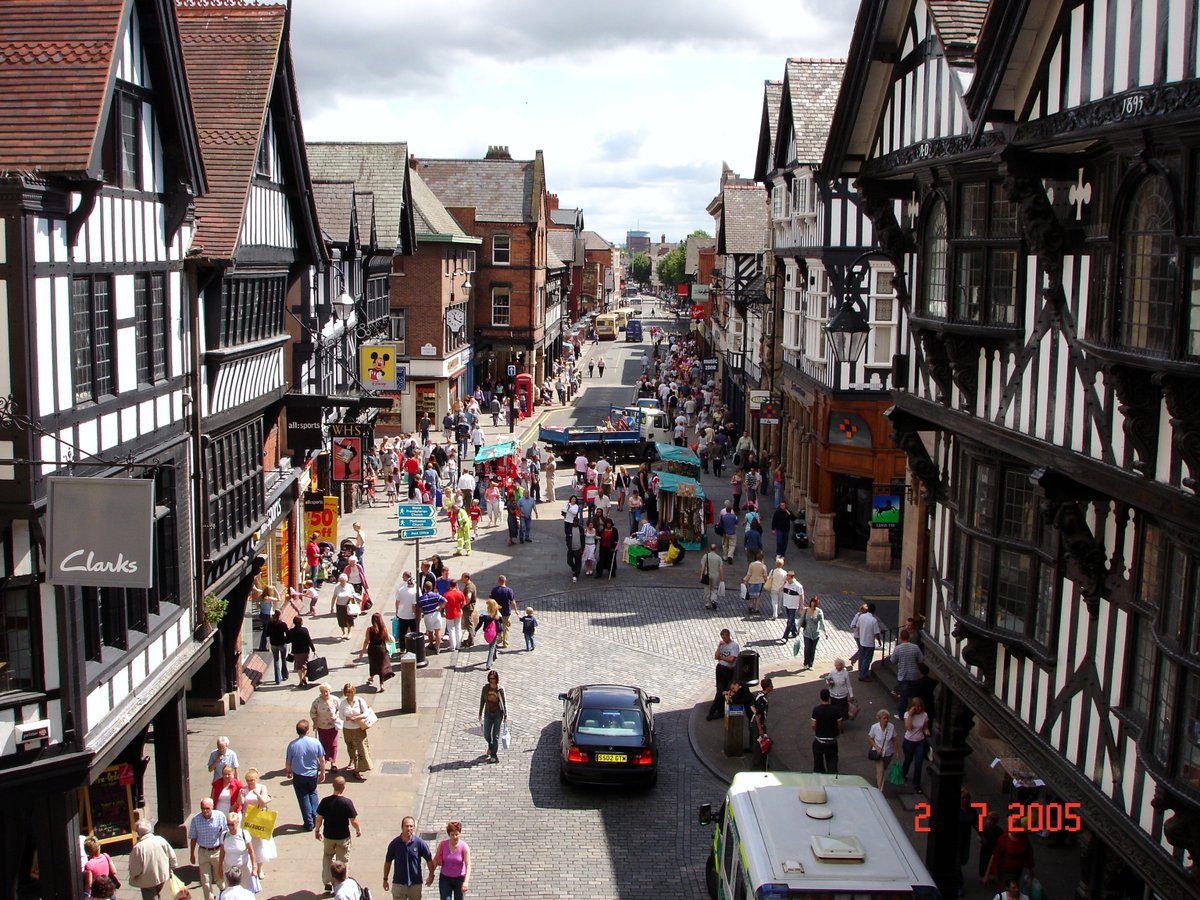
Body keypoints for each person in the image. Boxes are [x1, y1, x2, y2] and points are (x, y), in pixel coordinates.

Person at [314, 775, 362, 893]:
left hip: (329, 836)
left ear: (333, 786)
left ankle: (328, 881)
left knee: (328, 857)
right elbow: (353, 820)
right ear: (343, 787)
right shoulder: (347, 802)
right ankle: (341, 883)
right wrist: (358, 829)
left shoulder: (325, 801)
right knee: (343, 861)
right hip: (343, 837)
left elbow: (319, 818)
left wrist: (317, 830)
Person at [283, 719, 326, 831]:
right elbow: (322, 760)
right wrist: (322, 772)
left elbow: (288, 761)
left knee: (303, 798)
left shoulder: (292, 745)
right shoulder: (315, 742)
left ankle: (309, 823)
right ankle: (317, 817)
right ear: (307, 730)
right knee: (313, 793)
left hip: (299, 775)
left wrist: (288, 771)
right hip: (312, 774)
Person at [237, 769, 276, 881]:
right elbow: (240, 803)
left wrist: (257, 794)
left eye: (252, 780)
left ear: (256, 779)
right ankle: (250, 866)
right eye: (248, 781)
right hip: (247, 818)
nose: (250, 783)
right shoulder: (244, 789)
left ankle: (260, 868)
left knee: (260, 843)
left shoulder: (262, 787)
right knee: (248, 842)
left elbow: (263, 802)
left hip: (259, 817)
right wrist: (240, 795)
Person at [383, 816, 434, 900]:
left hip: (415, 884)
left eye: (411, 826)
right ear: (402, 827)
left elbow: (429, 859)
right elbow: (388, 862)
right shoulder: (394, 844)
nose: (409, 828)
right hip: (399, 884)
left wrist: (431, 874)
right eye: (406, 826)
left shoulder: (419, 843)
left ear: (414, 827)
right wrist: (385, 879)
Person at [187, 799, 228, 900]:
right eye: (202, 809)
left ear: (212, 807)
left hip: (217, 852)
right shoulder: (196, 819)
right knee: (205, 881)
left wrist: (226, 851)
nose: (205, 811)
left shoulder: (220, 816)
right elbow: (193, 837)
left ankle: (224, 894)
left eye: (207, 808)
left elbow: (225, 834)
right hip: (203, 852)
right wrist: (192, 854)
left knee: (220, 878)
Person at [128, 819, 177, 899]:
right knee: (161, 894)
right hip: (162, 875)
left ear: (139, 833)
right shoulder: (160, 840)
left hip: (147, 881)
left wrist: (133, 876)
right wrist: (172, 866)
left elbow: (136, 869)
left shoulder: (138, 848)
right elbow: (172, 856)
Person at [427, 820, 471, 900]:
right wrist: (431, 874)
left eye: (456, 834)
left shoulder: (464, 847)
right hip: (445, 878)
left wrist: (466, 882)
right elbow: (436, 860)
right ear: (449, 835)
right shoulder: (443, 845)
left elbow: (468, 865)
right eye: (452, 835)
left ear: (460, 833)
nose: (454, 837)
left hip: (459, 879)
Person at [985, 820, 1035, 888]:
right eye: (1014, 826)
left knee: (1015, 889)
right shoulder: (1003, 840)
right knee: (1009, 891)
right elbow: (995, 856)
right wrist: (987, 874)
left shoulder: (1024, 837)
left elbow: (1028, 853)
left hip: (1018, 871)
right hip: (1005, 872)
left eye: (1018, 825)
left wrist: (1030, 869)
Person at [339, 684, 373, 779]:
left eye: (349, 692)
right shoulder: (343, 703)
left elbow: (366, 713)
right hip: (347, 729)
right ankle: (352, 761)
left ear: (353, 691)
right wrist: (347, 718)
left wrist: (357, 717)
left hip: (358, 729)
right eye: (346, 692)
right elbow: (340, 715)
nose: (348, 694)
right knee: (351, 747)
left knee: (360, 749)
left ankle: (358, 770)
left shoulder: (360, 700)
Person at [218, 813, 258, 895]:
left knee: (245, 892)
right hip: (229, 871)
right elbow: (222, 852)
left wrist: (254, 867)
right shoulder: (224, 835)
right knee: (230, 893)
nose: (230, 827)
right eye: (228, 824)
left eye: (232, 824)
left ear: (237, 823)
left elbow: (251, 851)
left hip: (243, 869)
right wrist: (220, 868)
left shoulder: (244, 834)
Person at [706, 629, 740, 720]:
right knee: (720, 690)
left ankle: (719, 710)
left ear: (728, 636)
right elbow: (716, 656)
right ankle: (713, 711)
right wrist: (719, 646)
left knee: (725, 690)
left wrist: (721, 657)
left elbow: (732, 659)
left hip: (728, 670)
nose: (723, 639)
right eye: (722, 637)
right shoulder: (722, 645)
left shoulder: (734, 646)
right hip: (720, 669)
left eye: (724, 637)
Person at [358, 612, 395, 692]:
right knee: (382, 666)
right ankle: (381, 685)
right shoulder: (383, 629)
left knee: (373, 664)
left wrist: (362, 651)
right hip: (381, 649)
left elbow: (366, 641)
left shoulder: (369, 629)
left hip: (372, 649)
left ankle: (371, 677)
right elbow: (388, 639)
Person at [891, 629, 926, 714]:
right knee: (915, 696)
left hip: (903, 675)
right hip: (914, 675)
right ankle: (915, 712)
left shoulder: (898, 649)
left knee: (903, 696)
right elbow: (921, 660)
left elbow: (893, 660)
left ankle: (902, 714)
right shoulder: (915, 647)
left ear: (900, 637)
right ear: (909, 637)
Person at [310, 683, 343, 771]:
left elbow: (340, 710)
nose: (325, 694)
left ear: (329, 691)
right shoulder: (317, 702)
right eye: (323, 692)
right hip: (322, 726)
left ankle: (333, 763)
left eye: (326, 691)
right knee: (323, 744)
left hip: (333, 726)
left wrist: (336, 716)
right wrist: (315, 722)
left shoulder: (335, 700)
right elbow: (313, 713)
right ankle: (323, 762)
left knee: (333, 744)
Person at [901, 696, 931, 791]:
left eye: (920, 706)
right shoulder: (907, 714)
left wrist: (926, 731)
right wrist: (910, 714)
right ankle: (903, 773)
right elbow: (908, 728)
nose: (919, 709)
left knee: (919, 762)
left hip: (920, 742)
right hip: (909, 741)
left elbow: (925, 727)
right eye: (916, 707)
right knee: (908, 760)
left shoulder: (924, 715)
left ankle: (916, 784)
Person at [810, 688, 843, 774]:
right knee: (832, 761)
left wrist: (817, 731)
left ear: (820, 698)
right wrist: (837, 732)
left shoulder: (816, 710)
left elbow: (813, 724)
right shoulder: (836, 710)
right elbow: (839, 724)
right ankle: (832, 777)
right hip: (832, 741)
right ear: (829, 698)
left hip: (819, 740)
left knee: (818, 763)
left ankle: (820, 777)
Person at [478, 669, 508, 762]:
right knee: (487, 734)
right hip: (488, 713)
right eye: (490, 678)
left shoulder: (500, 689)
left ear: (496, 679)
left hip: (498, 714)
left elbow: (503, 702)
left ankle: (493, 754)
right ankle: (491, 747)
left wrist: (505, 714)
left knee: (495, 735)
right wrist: (480, 713)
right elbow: (482, 701)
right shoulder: (485, 688)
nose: (492, 680)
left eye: (493, 679)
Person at [868, 709, 900, 790]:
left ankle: (879, 777)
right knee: (881, 770)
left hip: (888, 752)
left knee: (883, 768)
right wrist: (876, 747)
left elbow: (894, 740)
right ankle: (880, 789)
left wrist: (897, 752)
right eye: (884, 718)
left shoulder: (891, 727)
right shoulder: (874, 727)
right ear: (879, 719)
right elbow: (870, 738)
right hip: (879, 753)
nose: (886, 720)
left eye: (887, 718)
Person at [750, 678, 774, 770]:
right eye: (771, 685)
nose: (772, 687)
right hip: (758, 724)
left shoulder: (759, 695)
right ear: (767, 687)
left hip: (758, 723)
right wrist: (760, 729)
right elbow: (757, 715)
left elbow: (752, 706)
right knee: (759, 746)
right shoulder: (762, 699)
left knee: (761, 744)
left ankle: (761, 764)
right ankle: (757, 766)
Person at [798, 596, 828, 671]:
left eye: (815, 603)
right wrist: (798, 629)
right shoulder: (806, 610)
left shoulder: (819, 612)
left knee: (813, 649)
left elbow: (822, 622)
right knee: (807, 648)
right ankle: (805, 663)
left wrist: (825, 632)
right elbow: (801, 619)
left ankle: (811, 664)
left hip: (815, 634)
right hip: (807, 633)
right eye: (812, 602)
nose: (813, 604)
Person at [288, 616, 318, 687]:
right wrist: (313, 649)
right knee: (304, 665)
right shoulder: (304, 630)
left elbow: (288, 640)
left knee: (298, 666)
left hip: (296, 651)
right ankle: (304, 678)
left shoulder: (291, 631)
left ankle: (301, 680)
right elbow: (309, 641)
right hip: (305, 650)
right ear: (301, 622)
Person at [855, 603, 882, 680]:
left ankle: (864, 673)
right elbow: (876, 633)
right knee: (867, 660)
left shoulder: (861, 617)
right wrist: (879, 642)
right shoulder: (873, 620)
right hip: (869, 643)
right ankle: (862, 675)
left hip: (862, 641)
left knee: (864, 658)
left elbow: (858, 627)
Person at [475, 598, 502, 669]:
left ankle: (494, 656)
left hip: (487, 633)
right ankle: (489, 664)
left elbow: (479, 624)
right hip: (495, 632)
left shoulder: (483, 614)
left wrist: (475, 631)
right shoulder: (497, 614)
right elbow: (501, 623)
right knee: (492, 647)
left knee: (492, 645)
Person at [442, 577, 467, 651]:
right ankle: (458, 645)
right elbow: (464, 603)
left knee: (451, 630)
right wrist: (460, 608)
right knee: (458, 629)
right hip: (458, 613)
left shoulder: (446, 594)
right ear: (456, 585)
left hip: (449, 614)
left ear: (450, 585)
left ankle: (452, 646)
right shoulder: (460, 593)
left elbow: (444, 605)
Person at [490, 575, 516, 649]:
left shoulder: (494, 590)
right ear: (505, 581)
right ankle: (505, 642)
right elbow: (512, 601)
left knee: (498, 626)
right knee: (506, 627)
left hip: (496, 611)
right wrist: (516, 610)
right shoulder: (508, 590)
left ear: (499, 581)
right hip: (506, 611)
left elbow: (490, 600)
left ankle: (499, 639)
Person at [332, 574, 361, 641]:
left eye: (343, 581)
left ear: (346, 580)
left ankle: (349, 632)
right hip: (339, 605)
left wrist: (352, 598)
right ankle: (344, 632)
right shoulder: (337, 587)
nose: (342, 582)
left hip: (348, 605)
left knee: (349, 620)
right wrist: (332, 607)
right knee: (341, 620)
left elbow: (354, 595)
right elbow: (334, 597)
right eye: (341, 581)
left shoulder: (350, 586)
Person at [978, 810, 1005, 880]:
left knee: (988, 862)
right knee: (984, 862)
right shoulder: (985, 828)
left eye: (991, 820)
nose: (989, 821)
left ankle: (988, 875)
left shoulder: (998, 830)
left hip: (992, 849)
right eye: (989, 819)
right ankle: (986, 874)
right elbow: (980, 836)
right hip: (986, 849)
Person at [699, 543, 724, 610]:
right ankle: (713, 600)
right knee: (714, 589)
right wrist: (722, 578)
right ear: (716, 549)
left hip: (707, 575)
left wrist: (701, 574)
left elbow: (703, 566)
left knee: (707, 589)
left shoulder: (705, 556)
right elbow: (721, 568)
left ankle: (707, 604)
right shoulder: (718, 558)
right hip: (715, 575)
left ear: (710, 548)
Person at [742, 551, 767, 615]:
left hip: (752, 581)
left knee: (751, 595)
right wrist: (766, 581)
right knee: (758, 596)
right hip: (760, 582)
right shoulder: (763, 566)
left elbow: (749, 574)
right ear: (762, 558)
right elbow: (765, 576)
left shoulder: (751, 564)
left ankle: (750, 605)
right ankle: (756, 608)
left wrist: (745, 581)